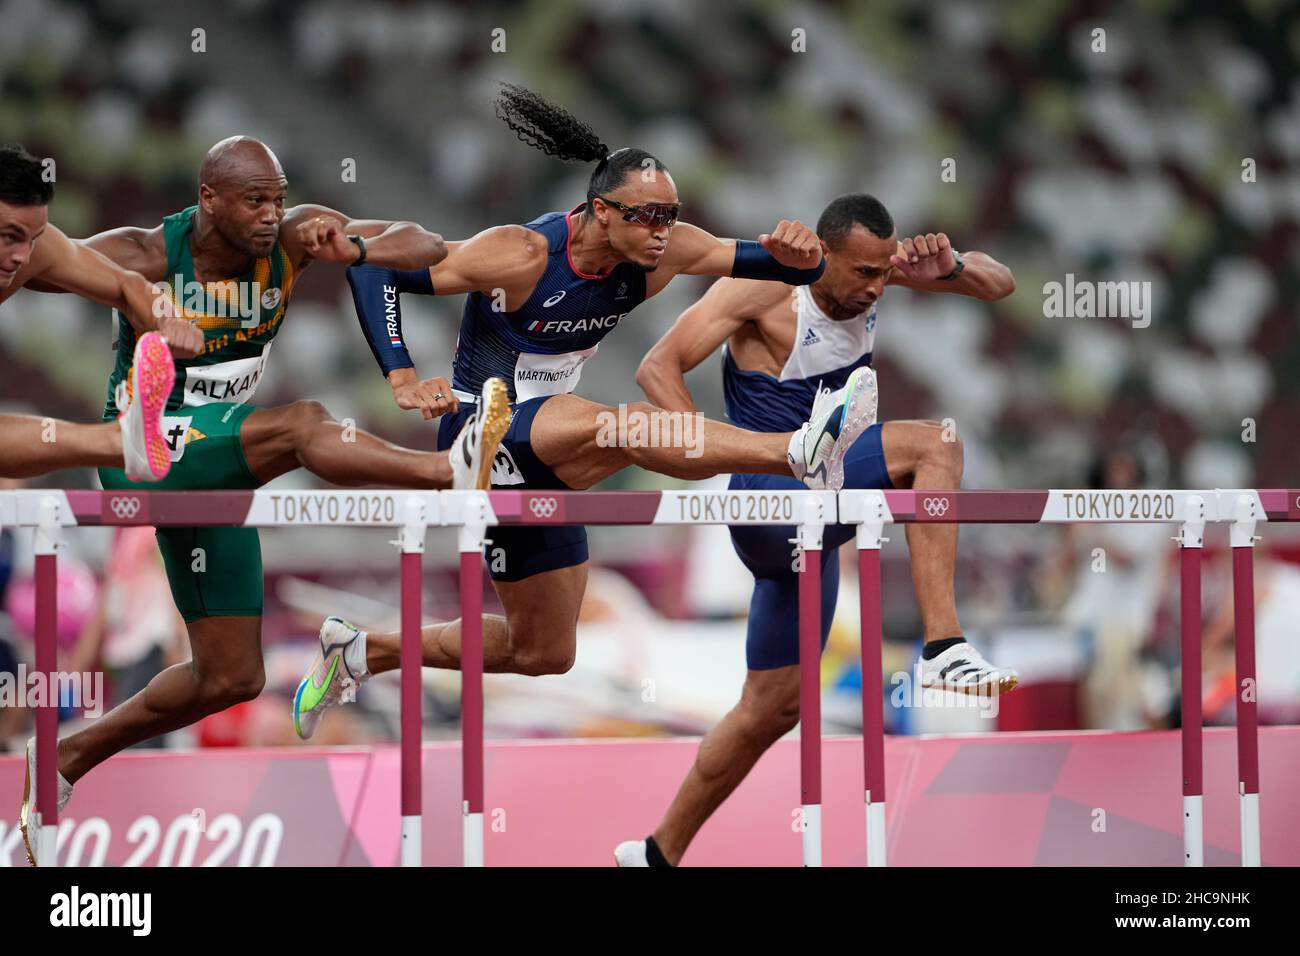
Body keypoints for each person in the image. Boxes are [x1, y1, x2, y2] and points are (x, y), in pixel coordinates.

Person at [292, 85, 876, 740]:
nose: (664, 232)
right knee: (619, 424)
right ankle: (798, 450)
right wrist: (400, 375)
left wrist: (803, 252)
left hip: (544, 453)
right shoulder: (521, 253)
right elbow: (375, 264)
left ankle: (360, 650)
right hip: (481, 432)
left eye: (672, 214)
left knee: (543, 651)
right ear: (602, 211)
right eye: (648, 216)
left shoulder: (665, 250)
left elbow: (790, 266)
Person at [18, 135, 509, 865]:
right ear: (207, 198)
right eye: (254, 201)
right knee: (304, 424)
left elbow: (429, 245)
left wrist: (349, 245)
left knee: (231, 676)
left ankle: (61, 756)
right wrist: (133, 301)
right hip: (146, 453)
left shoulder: (290, 236)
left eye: (277, 198)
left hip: (220, 465)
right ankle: (448, 474)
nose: (269, 215)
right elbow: (37, 262)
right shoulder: (150, 252)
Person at [617, 192, 1019, 865]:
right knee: (936, 446)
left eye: (884, 274)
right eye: (862, 273)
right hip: (768, 496)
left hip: (816, 524)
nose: (875, 288)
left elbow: (1001, 284)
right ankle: (943, 644)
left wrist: (948, 270)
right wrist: (711, 451)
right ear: (825, 255)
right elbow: (656, 365)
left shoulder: (878, 278)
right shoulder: (763, 285)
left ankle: (656, 852)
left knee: (772, 707)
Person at [0, 144, 203, 481]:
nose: (23, 257)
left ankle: (119, 443)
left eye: (32, 238)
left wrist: (170, 321)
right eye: (10, 237)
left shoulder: (30, 250)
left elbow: (128, 285)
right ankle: (114, 443)